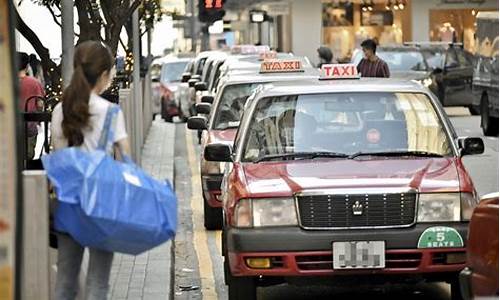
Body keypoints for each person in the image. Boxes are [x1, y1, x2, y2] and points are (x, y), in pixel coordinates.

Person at [51, 41, 130, 300]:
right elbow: (127, 164)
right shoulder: (110, 112)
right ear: (104, 75)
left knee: (65, 282)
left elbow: (57, 157)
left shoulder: (59, 111)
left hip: (68, 203)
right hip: (101, 206)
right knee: (98, 284)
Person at [18, 52, 45, 159]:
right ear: (27, 66)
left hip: (8, 127)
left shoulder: (5, 82)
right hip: (29, 126)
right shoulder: (35, 83)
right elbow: (40, 104)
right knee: (27, 157)